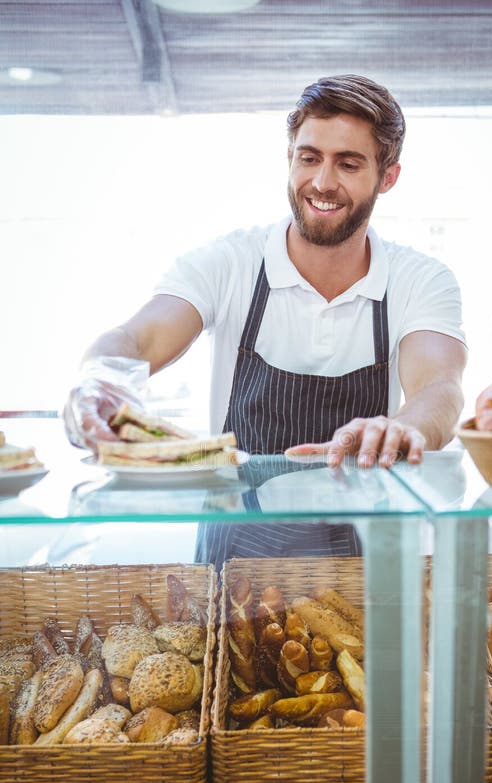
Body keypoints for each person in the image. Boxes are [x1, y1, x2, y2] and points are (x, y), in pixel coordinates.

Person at [64, 73, 467, 565]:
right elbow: (136, 339)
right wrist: (100, 378)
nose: (323, 182)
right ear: (290, 157)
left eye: (348, 164)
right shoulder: (229, 263)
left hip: (360, 566)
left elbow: (440, 389)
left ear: (388, 177)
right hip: (231, 562)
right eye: (309, 158)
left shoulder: (420, 280)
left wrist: (404, 429)